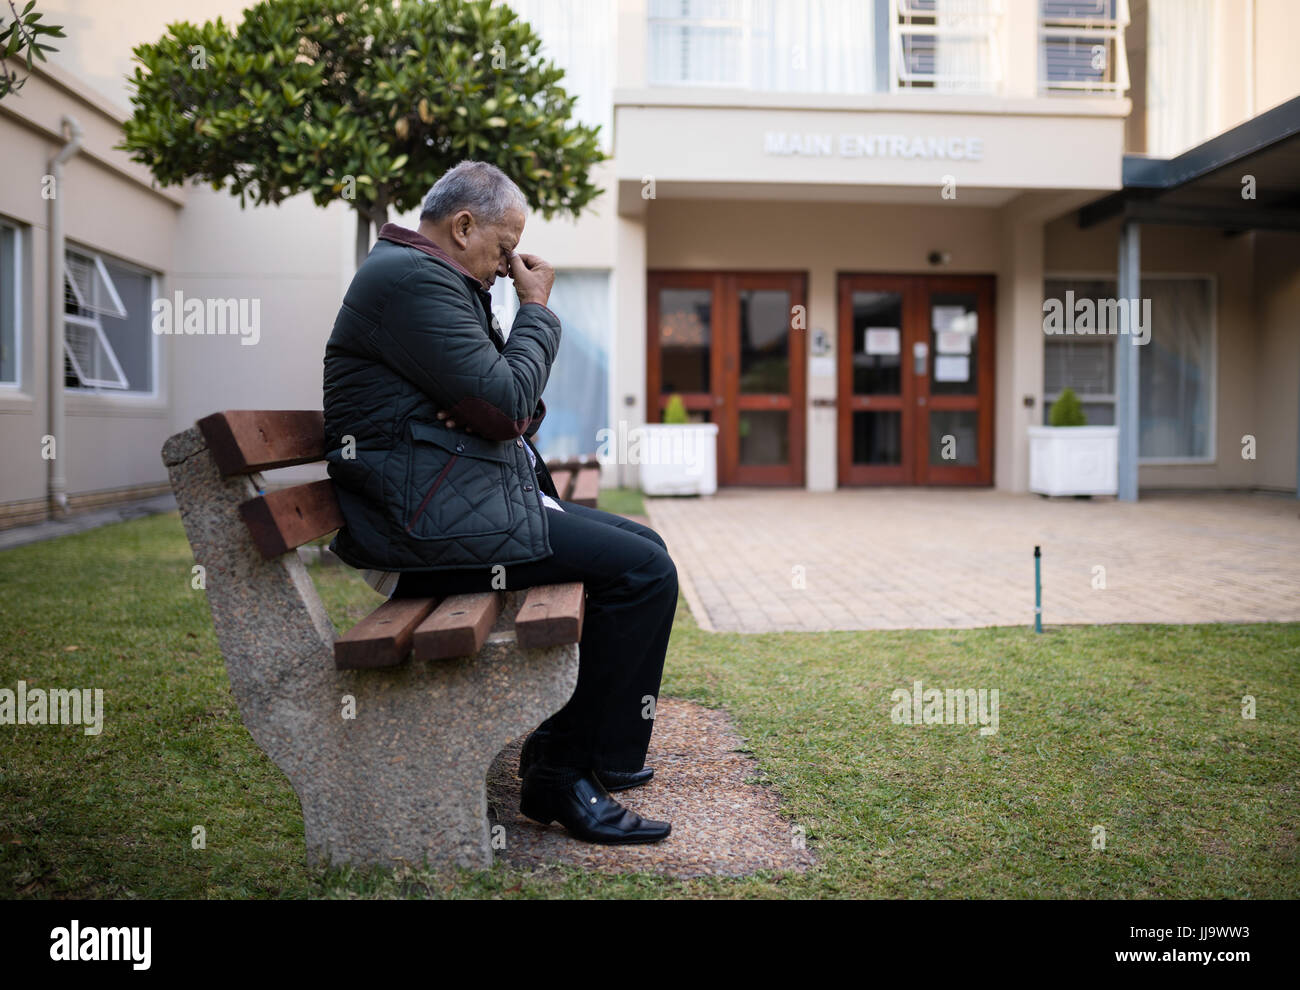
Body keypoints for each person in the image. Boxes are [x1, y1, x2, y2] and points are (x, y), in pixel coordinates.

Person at [322, 161, 676, 845]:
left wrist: (492, 404)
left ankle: (600, 752)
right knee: (642, 574)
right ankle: (561, 774)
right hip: (422, 528)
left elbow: (508, 409)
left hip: (452, 501)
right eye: (504, 246)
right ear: (462, 226)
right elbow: (507, 400)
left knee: (648, 549)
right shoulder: (412, 281)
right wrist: (536, 311)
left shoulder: (431, 278)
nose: (510, 264)